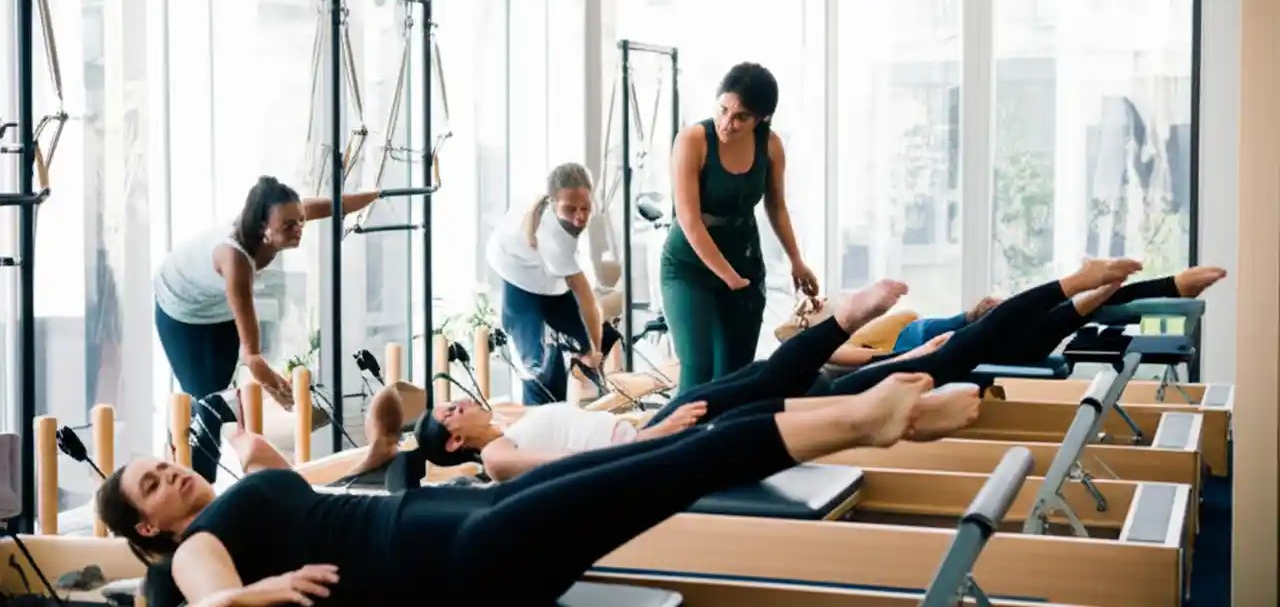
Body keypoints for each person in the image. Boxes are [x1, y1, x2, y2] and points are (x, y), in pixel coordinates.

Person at [97, 373, 937, 606]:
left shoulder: (247, 493)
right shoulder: (198, 552)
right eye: (151, 482)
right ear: (149, 530)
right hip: (459, 552)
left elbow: (320, 458)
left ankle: (863, 416)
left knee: (651, 467)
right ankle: (864, 420)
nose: (169, 469)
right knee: (665, 469)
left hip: (464, 526)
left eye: (161, 460)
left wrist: (384, 433)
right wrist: (253, 594)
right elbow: (207, 598)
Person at [417, 280, 982, 482]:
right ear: (452, 440)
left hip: (647, 433)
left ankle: (876, 358)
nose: (459, 404)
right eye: (449, 412)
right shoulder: (495, 460)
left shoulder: (512, 425)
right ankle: (847, 327)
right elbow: (565, 468)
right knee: (763, 394)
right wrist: (647, 441)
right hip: (648, 447)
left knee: (765, 383)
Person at [153, 176, 381, 482]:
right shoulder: (235, 259)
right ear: (263, 227)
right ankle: (197, 483)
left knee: (214, 395)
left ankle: (187, 453)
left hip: (216, 303)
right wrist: (287, 396)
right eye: (290, 225)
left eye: (300, 220)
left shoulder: (280, 221)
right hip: (181, 308)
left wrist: (378, 193)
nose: (299, 227)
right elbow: (253, 358)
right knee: (207, 398)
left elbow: (332, 205)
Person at [661, 62, 819, 393]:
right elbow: (688, 220)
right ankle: (675, 441)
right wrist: (729, 277)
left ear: (761, 118)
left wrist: (796, 260)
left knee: (734, 375)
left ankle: (723, 443)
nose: (727, 123)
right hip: (689, 266)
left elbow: (776, 206)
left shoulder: (771, 145)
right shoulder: (692, 140)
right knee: (698, 370)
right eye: (723, 110)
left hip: (744, 262)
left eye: (741, 117)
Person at [824, 265, 1227, 369]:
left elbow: (948, 321)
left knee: (1042, 321)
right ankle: (1168, 285)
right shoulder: (843, 351)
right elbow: (808, 345)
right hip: (936, 355)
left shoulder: (892, 320)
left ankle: (1167, 286)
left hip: (964, 333)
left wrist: (973, 312)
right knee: (1039, 330)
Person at [486, 162, 608, 405]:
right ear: (553, 203)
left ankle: (582, 402)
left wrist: (590, 352)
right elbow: (587, 301)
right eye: (571, 209)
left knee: (580, 345)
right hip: (517, 276)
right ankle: (544, 420)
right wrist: (597, 352)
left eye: (585, 208)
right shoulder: (554, 235)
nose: (580, 217)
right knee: (538, 370)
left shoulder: (554, 216)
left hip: (540, 271)